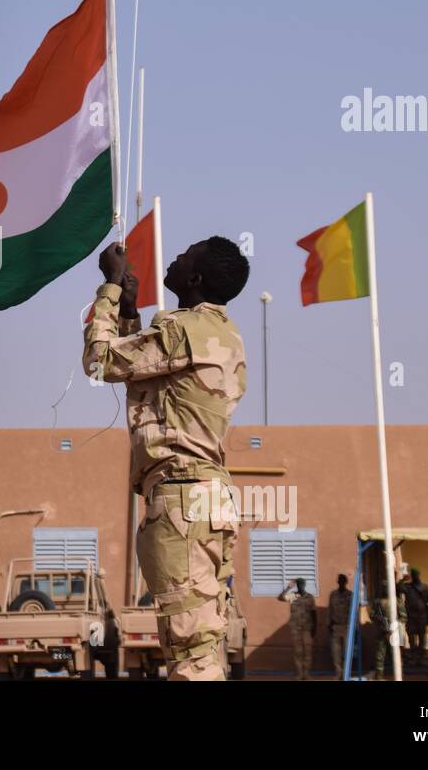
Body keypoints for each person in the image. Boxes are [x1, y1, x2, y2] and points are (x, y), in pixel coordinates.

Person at [82, 237, 248, 681]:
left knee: (190, 649)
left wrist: (110, 287)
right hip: (205, 498)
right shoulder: (222, 333)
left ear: (195, 279)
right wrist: (130, 313)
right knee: (202, 643)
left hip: (181, 502)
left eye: (185, 256)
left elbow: (99, 362)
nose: (174, 257)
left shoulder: (183, 330)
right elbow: (147, 374)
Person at [279, 578, 316, 680]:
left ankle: (306, 674)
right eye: (299, 584)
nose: (300, 586)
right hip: (295, 629)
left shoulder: (310, 597)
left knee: (308, 652)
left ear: (305, 585)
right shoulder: (292, 596)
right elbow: (280, 598)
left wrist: (314, 629)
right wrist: (288, 588)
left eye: (302, 584)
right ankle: (299, 674)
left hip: (307, 629)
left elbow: (314, 613)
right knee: (298, 652)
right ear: (297, 585)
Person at [369, 583, 406, 680]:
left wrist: (393, 626)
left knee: (396, 656)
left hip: (394, 633)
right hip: (381, 632)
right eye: (383, 588)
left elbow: (403, 617)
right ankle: (379, 677)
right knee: (379, 656)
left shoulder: (397, 601)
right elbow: (372, 615)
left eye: (386, 588)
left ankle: (399, 676)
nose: (385, 590)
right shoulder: (377, 602)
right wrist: (379, 619)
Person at [401, 568, 428, 667]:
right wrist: (403, 579)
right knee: (411, 637)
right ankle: (413, 657)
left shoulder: (425, 587)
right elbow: (397, 588)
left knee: (422, 637)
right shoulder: (407, 587)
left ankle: (421, 658)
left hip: (422, 616)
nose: (415, 576)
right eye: (413, 574)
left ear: (419, 575)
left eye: (416, 574)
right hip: (411, 616)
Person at [327, 573, 354, 679]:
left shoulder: (351, 595)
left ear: (346, 582)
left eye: (343, 580)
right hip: (336, 627)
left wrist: (354, 626)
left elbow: (354, 611)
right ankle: (338, 673)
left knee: (347, 651)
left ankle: (346, 673)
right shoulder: (333, 594)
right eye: (339, 580)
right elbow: (330, 609)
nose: (341, 582)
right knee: (336, 652)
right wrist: (328, 624)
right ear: (337, 582)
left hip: (347, 627)